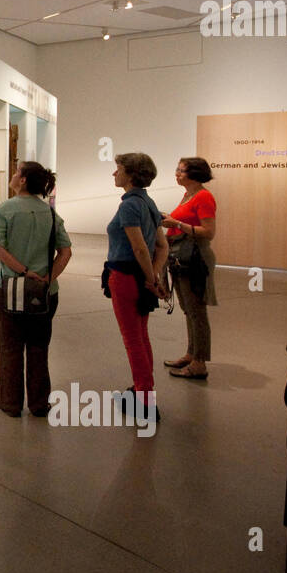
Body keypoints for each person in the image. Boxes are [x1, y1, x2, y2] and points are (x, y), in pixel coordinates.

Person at [0, 161, 73, 417]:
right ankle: (39, 404)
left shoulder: (5, 209)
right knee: (39, 347)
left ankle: (10, 403)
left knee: (9, 348)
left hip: (10, 288)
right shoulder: (49, 213)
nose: (13, 176)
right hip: (44, 292)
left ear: (23, 180)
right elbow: (66, 251)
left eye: (16, 172)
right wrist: (47, 278)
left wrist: (23, 271)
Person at [104, 152, 169, 418]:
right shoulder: (149, 203)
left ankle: (144, 399)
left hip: (126, 277)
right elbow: (161, 246)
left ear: (130, 174)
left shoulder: (129, 206)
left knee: (133, 340)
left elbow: (141, 248)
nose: (114, 173)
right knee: (141, 337)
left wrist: (150, 278)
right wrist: (153, 277)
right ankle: (144, 390)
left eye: (117, 168)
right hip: (140, 278)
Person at [162, 157, 218, 380]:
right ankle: (192, 354)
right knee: (189, 310)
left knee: (196, 311)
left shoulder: (204, 196)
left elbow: (209, 231)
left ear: (194, 173)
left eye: (181, 170)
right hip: (182, 257)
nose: (176, 173)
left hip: (194, 258)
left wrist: (176, 224)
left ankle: (199, 362)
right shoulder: (188, 195)